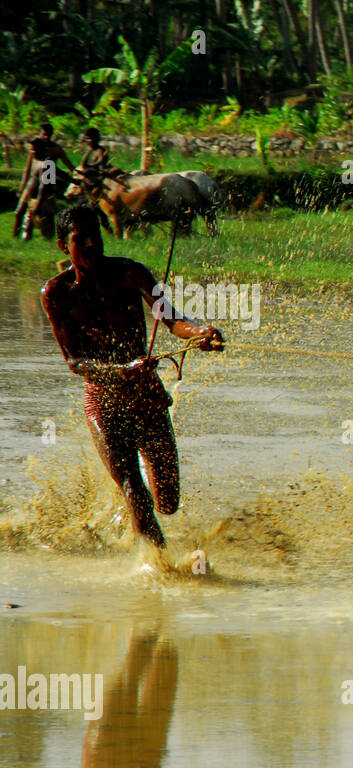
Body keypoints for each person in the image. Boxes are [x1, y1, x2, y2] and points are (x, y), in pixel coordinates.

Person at [40, 205, 224, 553]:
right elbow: (76, 362)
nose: (92, 244)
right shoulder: (57, 293)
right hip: (103, 397)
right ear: (65, 246)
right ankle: (158, 570)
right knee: (133, 490)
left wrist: (200, 333)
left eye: (96, 235)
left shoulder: (129, 273)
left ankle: (131, 526)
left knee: (167, 502)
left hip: (145, 393)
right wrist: (120, 372)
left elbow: (172, 320)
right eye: (81, 239)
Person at [13, 122, 76, 239]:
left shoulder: (56, 150)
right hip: (33, 184)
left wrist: (75, 178)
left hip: (47, 185)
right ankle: (16, 237)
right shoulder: (35, 148)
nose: (47, 137)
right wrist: (22, 188)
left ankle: (49, 237)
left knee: (46, 215)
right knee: (19, 212)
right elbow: (28, 170)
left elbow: (63, 168)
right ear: (40, 133)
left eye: (49, 135)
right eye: (44, 135)